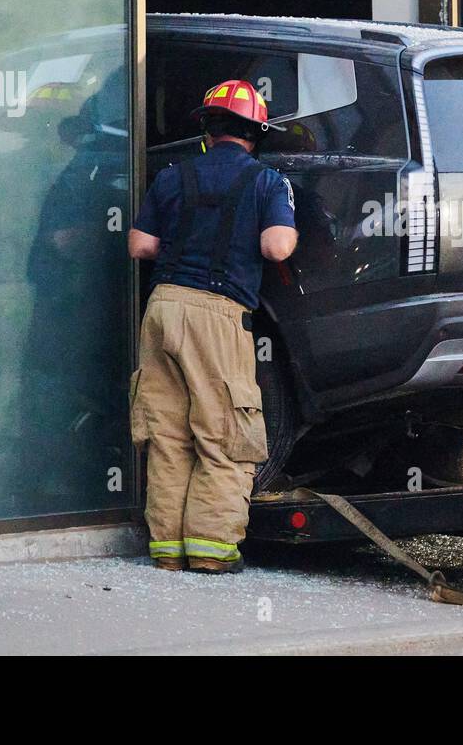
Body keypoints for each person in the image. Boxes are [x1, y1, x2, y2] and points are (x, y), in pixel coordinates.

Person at [128, 80, 298, 571]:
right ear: (255, 134)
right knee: (224, 433)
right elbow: (277, 248)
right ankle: (210, 551)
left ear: (208, 129)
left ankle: (167, 551)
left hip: (162, 309)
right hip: (217, 314)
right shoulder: (268, 182)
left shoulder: (171, 176)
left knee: (168, 434)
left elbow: (139, 245)